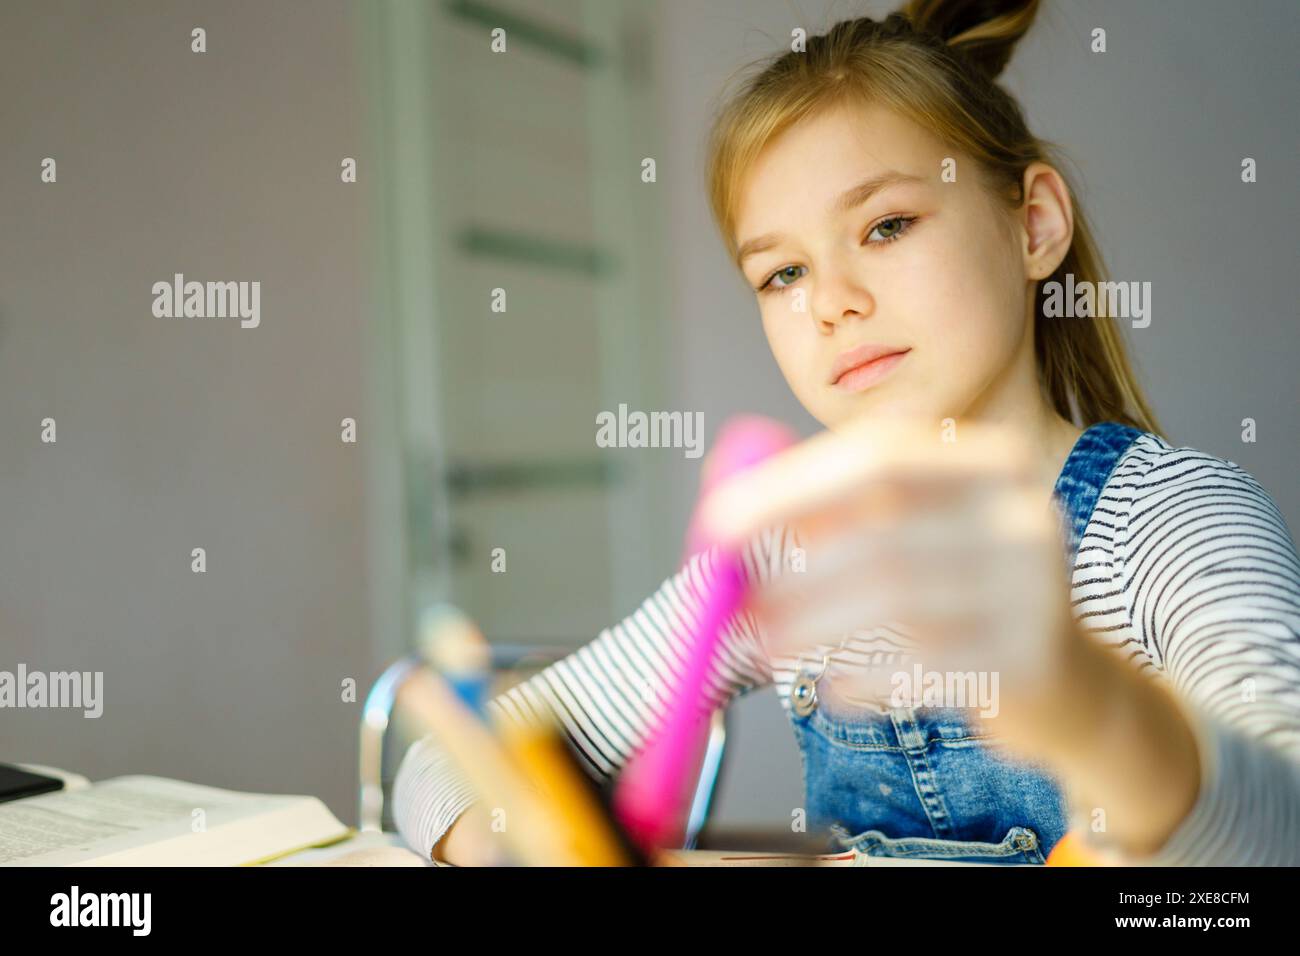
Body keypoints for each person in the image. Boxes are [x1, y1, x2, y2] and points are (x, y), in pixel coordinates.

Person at [393, 0, 1300, 865]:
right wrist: (519, 843)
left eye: (887, 225)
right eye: (783, 273)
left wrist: (1089, 703)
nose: (832, 302)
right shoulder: (786, 553)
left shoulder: (1170, 524)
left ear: (1034, 224)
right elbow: (442, 768)